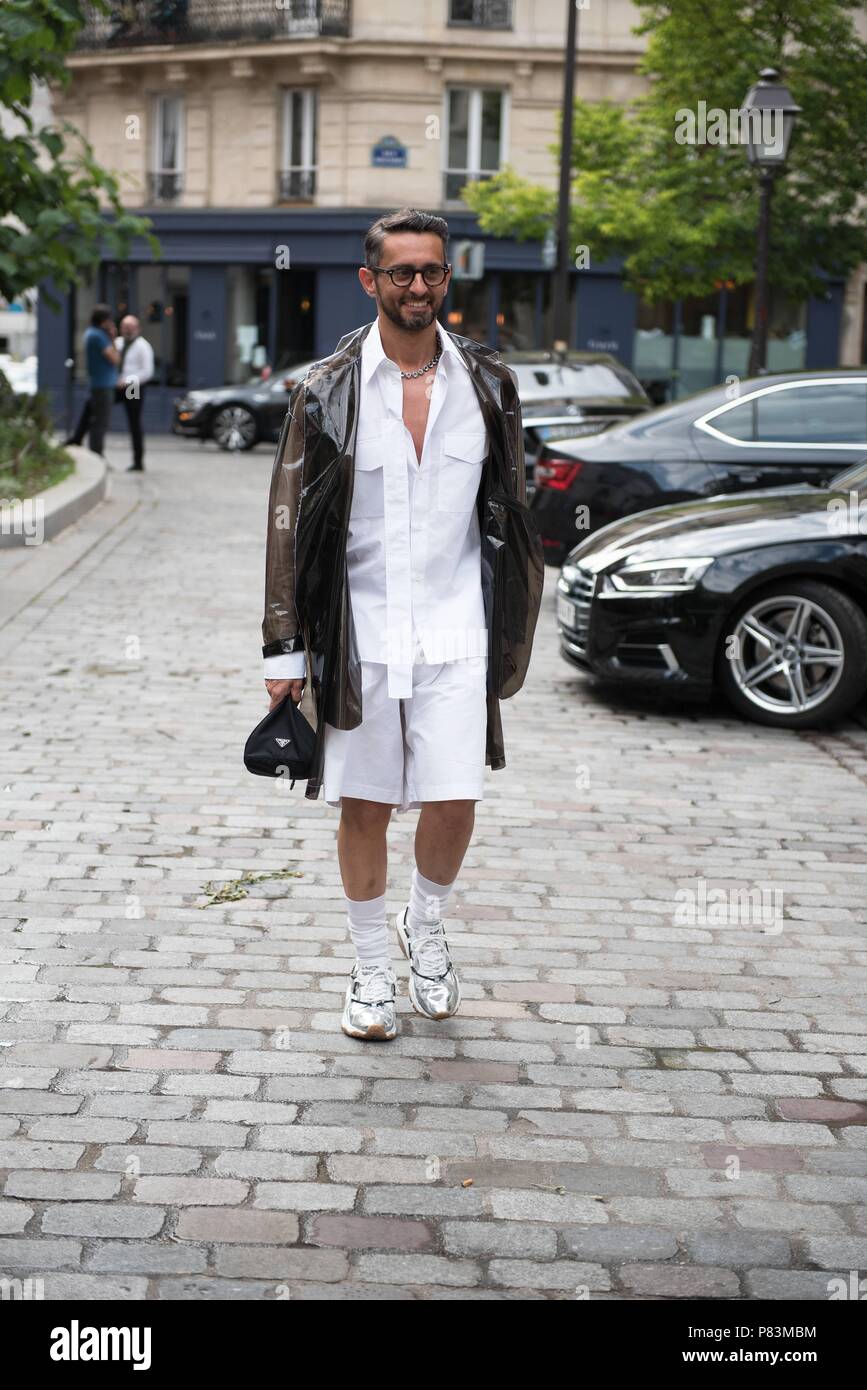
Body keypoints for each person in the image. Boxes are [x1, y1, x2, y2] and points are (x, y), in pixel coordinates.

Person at [261, 208, 544, 1042]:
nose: (417, 286)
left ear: (446, 279)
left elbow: (511, 514)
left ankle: (425, 929)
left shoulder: (489, 386)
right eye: (401, 273)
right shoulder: (325, 389)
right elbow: (285, 522)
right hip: (361, 631)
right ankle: (368, 967)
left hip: (458, 627)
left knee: (456, 796)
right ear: (370, 280)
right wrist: (284, 648)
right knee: (366, 804)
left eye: (431, 272)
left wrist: (513, 624)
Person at [67, 305, 120, 457]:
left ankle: (79, 439)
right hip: (108, 385)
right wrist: (113, 338)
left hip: (113, 384)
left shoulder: (93, 334)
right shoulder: (99, 336)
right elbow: (115, 359)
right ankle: (97, 453)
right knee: (101, 422)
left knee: (95, 418)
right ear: (105, 321)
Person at [115, 315, 155, 471]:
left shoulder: (142, 346)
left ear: (138, 328)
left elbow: (147, 372)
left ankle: (138, 461)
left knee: (134, 422)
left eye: (131, 326)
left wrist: (127, 381)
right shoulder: (118, 343)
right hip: (116, 384)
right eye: (125, 326)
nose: (128, 329)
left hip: (132, 386)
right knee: (96, 407)